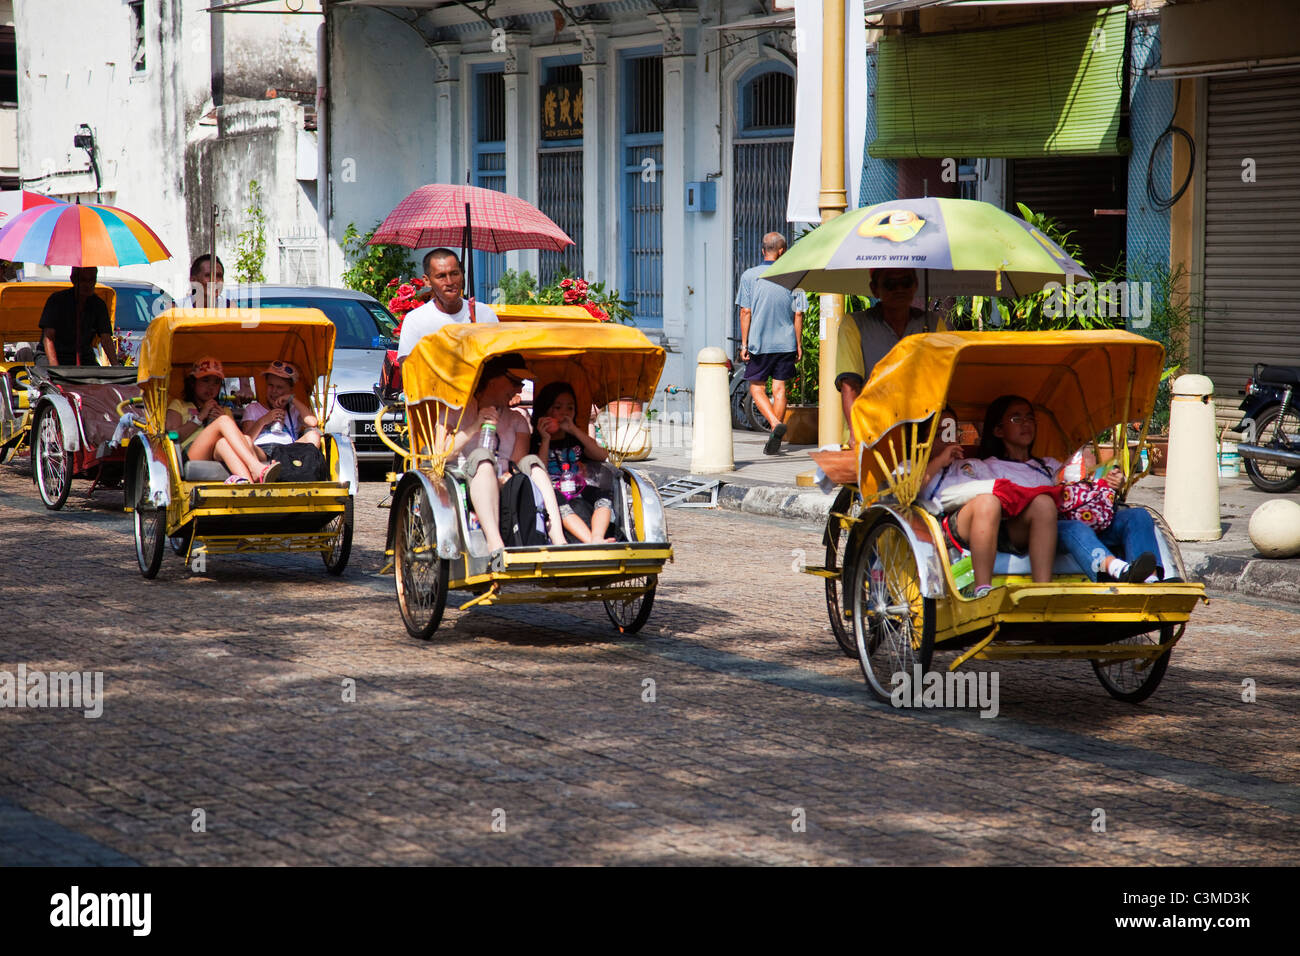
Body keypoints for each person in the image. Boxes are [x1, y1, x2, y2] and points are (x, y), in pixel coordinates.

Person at [435, 354, 568, 566]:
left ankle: (559, 541)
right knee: (483, 458)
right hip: (465, 483)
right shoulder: (456, 411)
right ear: (492, 381)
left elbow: (518, 462)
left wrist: (507, 477)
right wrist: (475, 426)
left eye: (521, 384)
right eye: (515, 382)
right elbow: (439, 454)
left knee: (533, 463)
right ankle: (495, 546)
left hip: (505, 483)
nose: (518, 389)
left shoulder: (517, 419)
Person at [927, 396, 1060, 597]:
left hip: (996, 523)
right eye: (939, 434)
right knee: (987, 501)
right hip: (948, 525)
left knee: (1044, 503)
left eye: (952, 433)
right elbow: (912, 492)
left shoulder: (972, 464)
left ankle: (1042, 591)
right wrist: (939, 461)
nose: (948, 439)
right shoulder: (911, 468)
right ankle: (983, 589)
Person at [835, 268, 944, 440]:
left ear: (915, 285)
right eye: (890, 284)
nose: (899, 289)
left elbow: (941, 382)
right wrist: (856, 433)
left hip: (919, 433)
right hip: (870, 433)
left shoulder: (933, 324)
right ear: (874, 289)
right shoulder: (854, 324)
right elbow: (850, 385)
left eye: (906, 282)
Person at [736, 232, 806, 455]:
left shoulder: (749, 276)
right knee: (779, 388)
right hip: (785, 343)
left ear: (762, 250)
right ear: (783, 251)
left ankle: (775, 426)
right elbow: (798, 314)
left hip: (760, 342)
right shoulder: (794, 276)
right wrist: (798, 344)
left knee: (756, 388)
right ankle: (773, 436)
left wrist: (744, 344)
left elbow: (745, 311)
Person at [166, 357, 280, 484]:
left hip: (218, 451)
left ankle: (249, 483)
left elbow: (238, 440)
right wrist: (200, 418)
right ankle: (255, 467)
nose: (211, 387)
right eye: (205, 380)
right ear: (193, 382)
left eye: (216, 382)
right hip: (190, 453)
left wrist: (219, 418)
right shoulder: (179, 405)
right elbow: (172, 438)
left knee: (228, 442)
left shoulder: (224, 410)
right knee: (224, 421)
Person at [531, 381, 616, 543]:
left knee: (604, 491)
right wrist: (546, 439)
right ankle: (591, 541)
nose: (564, 413)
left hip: (579, 489)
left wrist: (575, 430)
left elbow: (601, 455)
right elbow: (539, 469)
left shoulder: (575, 439)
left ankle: (597, 536)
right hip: (553, 493)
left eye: (570, 408)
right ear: (545, 410)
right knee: (557, 500)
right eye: (557, 408)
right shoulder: (536, 441)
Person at [396, 249, 498, 363]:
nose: (449, 282)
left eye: (454, 274)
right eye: (441, 276)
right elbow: (407, 370)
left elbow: (500, 362)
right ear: (427, 281)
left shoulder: (484, 314)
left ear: (462, 275)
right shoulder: (415, 320)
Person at [39, 266, 119, 366]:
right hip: (51, 355)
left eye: (92, 280)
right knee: (46, 378)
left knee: (99, 379)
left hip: (84, 356)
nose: (88, 285)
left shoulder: (98, 305)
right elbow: (48, 337)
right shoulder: (56, 300)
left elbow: (106, 339)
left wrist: (116, 366)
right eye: (83, 280)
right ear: (73, 279)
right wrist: (56, 370)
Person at [240, 360, 323, 455]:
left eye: (279, 387)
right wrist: (263, 421)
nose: (274, 391)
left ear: (289, 390)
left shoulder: (293, 410)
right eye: (270, 386)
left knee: (314, 436)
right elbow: (246, 441)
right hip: (261, 451)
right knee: (246, 441)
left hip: (288, 452)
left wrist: (292, 399)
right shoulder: (253, 408)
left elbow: (312, 422)